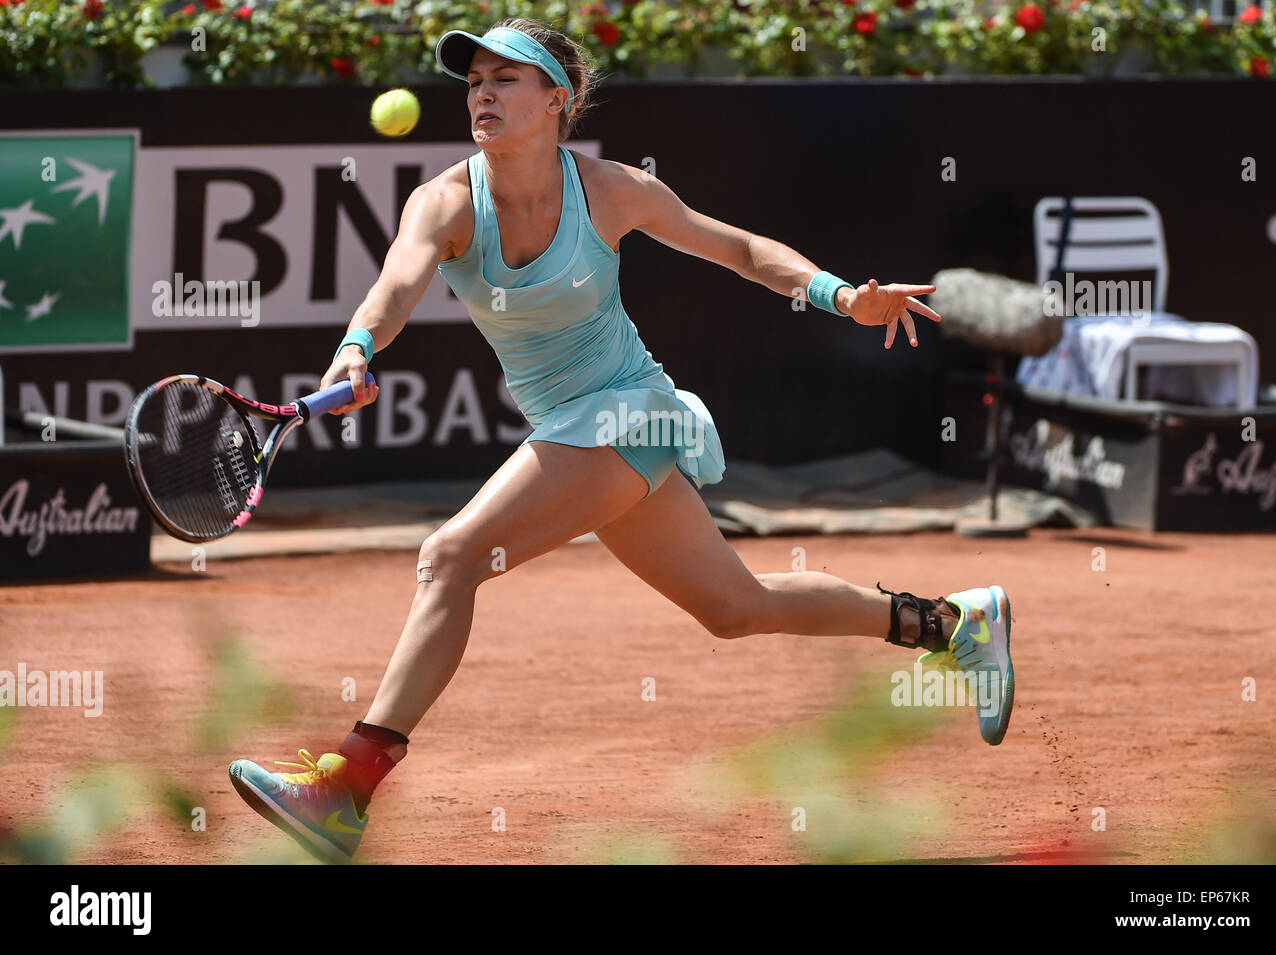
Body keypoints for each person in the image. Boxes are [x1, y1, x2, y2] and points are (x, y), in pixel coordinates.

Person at [228, 17, 1014, 864]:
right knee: (735, 607)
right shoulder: (447, 202)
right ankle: (952, 623)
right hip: (573, 428)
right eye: (474, 82)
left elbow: (742, 250)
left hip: (632, 409)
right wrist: (356, 350)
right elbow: (391, 292)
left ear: (555, 100)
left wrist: (840, 297)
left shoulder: (610, 190)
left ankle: (348, 786)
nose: (482, 95)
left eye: (505, 79)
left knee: (453, 555)